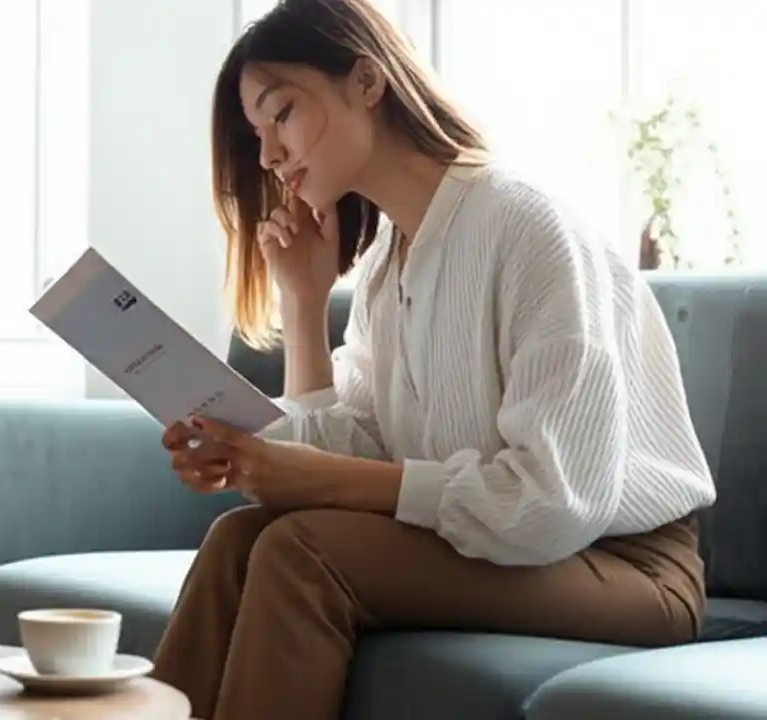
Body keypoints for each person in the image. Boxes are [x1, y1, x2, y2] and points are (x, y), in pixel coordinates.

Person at [148, 1, 717, 718]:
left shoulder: (525, 226)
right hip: (523, 544)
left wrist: (327, 478)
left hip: (626, 566)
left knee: (302, 553)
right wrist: (302, 303)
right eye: (257, 133)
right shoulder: (392, 260)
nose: (267, 155)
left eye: (281, 113)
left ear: (366, 81)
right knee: (237, 537)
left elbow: (551, 503)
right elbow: (361, 440)